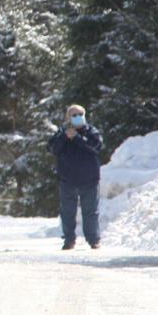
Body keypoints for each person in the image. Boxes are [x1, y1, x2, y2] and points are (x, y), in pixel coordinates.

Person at [48, 104, 104, 250]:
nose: (78, 117)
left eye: (80, 114)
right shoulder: (61, 132)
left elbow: (96, 146)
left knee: (90, 211)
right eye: (74, 115)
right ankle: (69, 240)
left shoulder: (91, 131)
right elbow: (52, 149)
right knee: (67, 212)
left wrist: (78, 138)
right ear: (68, 118)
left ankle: (93, 240)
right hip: (68, 179)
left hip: (89, 179)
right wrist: (64, 137)